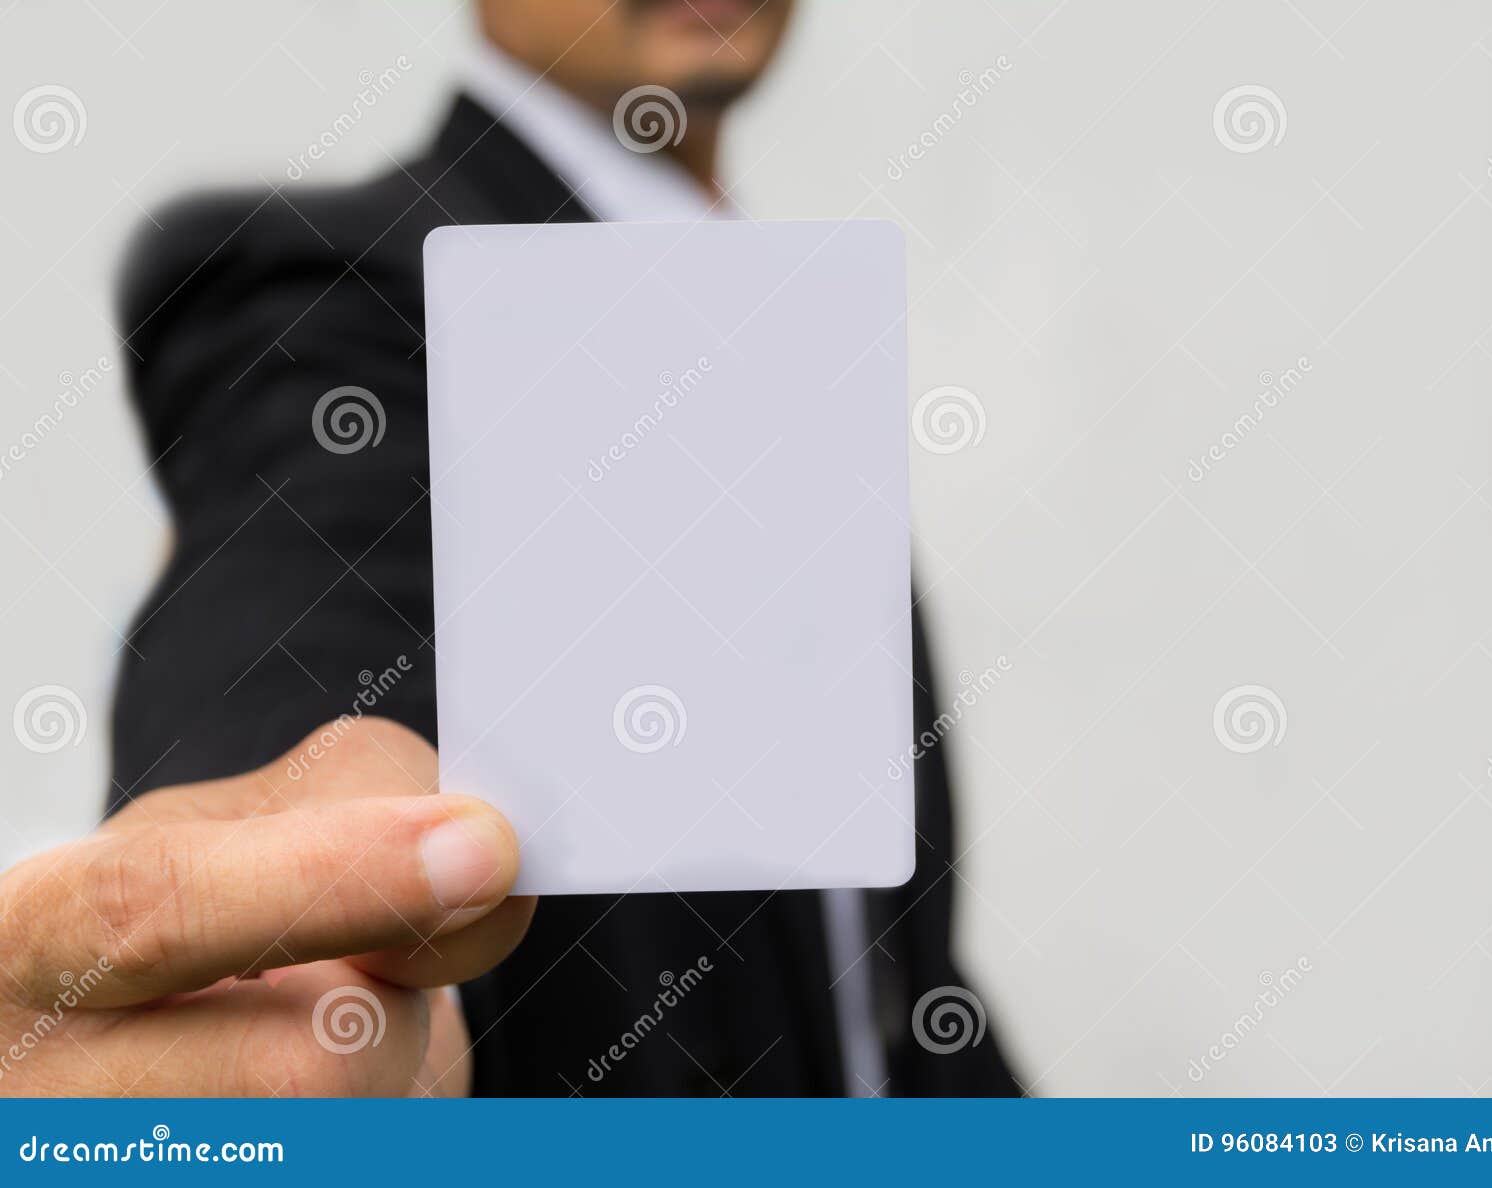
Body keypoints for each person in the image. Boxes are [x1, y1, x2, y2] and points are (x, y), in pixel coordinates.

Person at [0, 0, 1013, 1097]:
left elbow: (871, 955)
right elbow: (297, 622)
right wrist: (296, 907)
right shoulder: (347, 298)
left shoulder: (784, 322)